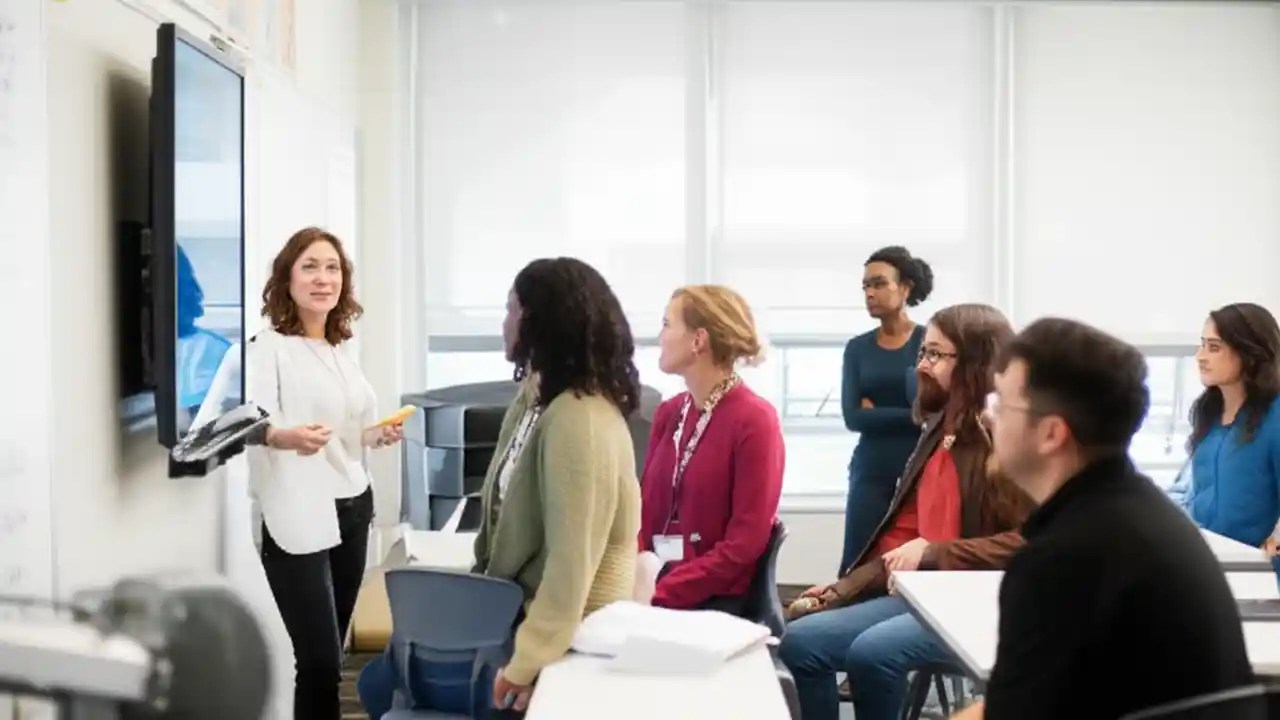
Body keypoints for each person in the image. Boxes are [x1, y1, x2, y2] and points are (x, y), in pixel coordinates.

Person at [360, 257, 642, 718]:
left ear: (538, 320)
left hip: (551, 630)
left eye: (511, 308)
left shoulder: (580, 420)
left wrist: (528, 665)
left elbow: (571, 569)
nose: (504, 321)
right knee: (382, 676)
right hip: (507, 608)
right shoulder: (535, 399)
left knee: (386, 682)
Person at [959, 318, 1252, 720]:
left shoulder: (1061, 560)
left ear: (1051, 434)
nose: (989, 418)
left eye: (1001, 405)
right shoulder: (1141, 516)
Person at [779, 304, 1032, 720]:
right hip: (919, 595)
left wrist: (934, 552)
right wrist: (841, 590)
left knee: (871, 654)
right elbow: (902, 536)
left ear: (974, 361)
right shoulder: (939, 427)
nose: (922, 365)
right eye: (923, 353)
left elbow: (1030, 542)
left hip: (976, 603)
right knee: (801, 642)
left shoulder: (1003, 440)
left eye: (936, 354)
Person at [245, 227, 403, 720]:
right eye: (310, 266)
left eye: (332, 268)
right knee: (316, 661)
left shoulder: (340, 352)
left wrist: (376, 435)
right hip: (297, 508)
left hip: (353, 505)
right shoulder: (267, 346)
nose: (323, 278)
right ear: (287, 281)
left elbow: (349, 433)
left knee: (332, 655)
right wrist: (283, 437)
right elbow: (250, 421)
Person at [636, 285, 785, 613]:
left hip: (716, 600)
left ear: (697, 340)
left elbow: (743, 546)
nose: (659, 337)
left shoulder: (755, 420)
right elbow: (645, 514)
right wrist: (631, 578)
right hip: (657, 584)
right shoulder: (670, 413)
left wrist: (658, 593)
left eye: (666, 324)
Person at [840, 247, 934, 573]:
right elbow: (853, 417)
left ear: (905, 288)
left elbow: (933, 414)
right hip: (871, 467)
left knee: (910, 559)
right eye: (865, 286)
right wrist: (910, 413)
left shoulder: (929, 341)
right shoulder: (857, 348)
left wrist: (878, 412)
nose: (869, 293)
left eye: (879, 284)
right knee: (857, 557)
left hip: (921, 464)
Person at [1168, 303, 1280, 549]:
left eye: (1214, 347)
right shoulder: (1208, 413)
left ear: (1248, 353)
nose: (1200, 356)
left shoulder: (1275, 416)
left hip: (1256, 571)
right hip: (1205, 558)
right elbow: (1191, 492)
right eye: (1202, 344)